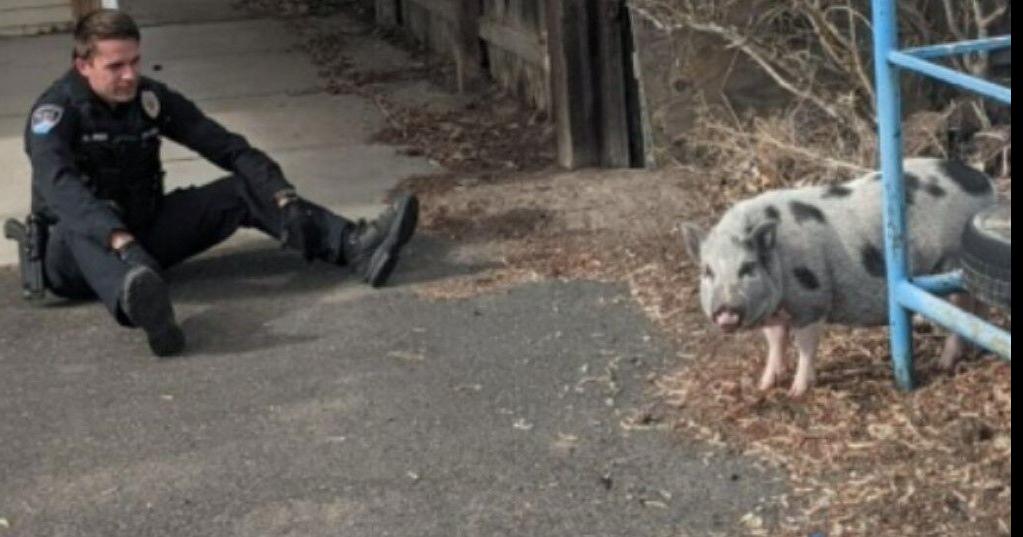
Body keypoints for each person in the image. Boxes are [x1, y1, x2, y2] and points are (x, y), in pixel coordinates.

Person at [5, 9, 419, 357]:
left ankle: (352, 245)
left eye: (134, 62)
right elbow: (60, 188)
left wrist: (281, 193)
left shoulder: (149, 98)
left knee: (239, 189)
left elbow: (228, 148)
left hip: (142, 236)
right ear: (83, 66)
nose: (129, 75)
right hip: (78, 256)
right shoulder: (55, 113)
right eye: (115, 66)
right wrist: (118, 241)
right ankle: (145, 311)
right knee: (85, 222)